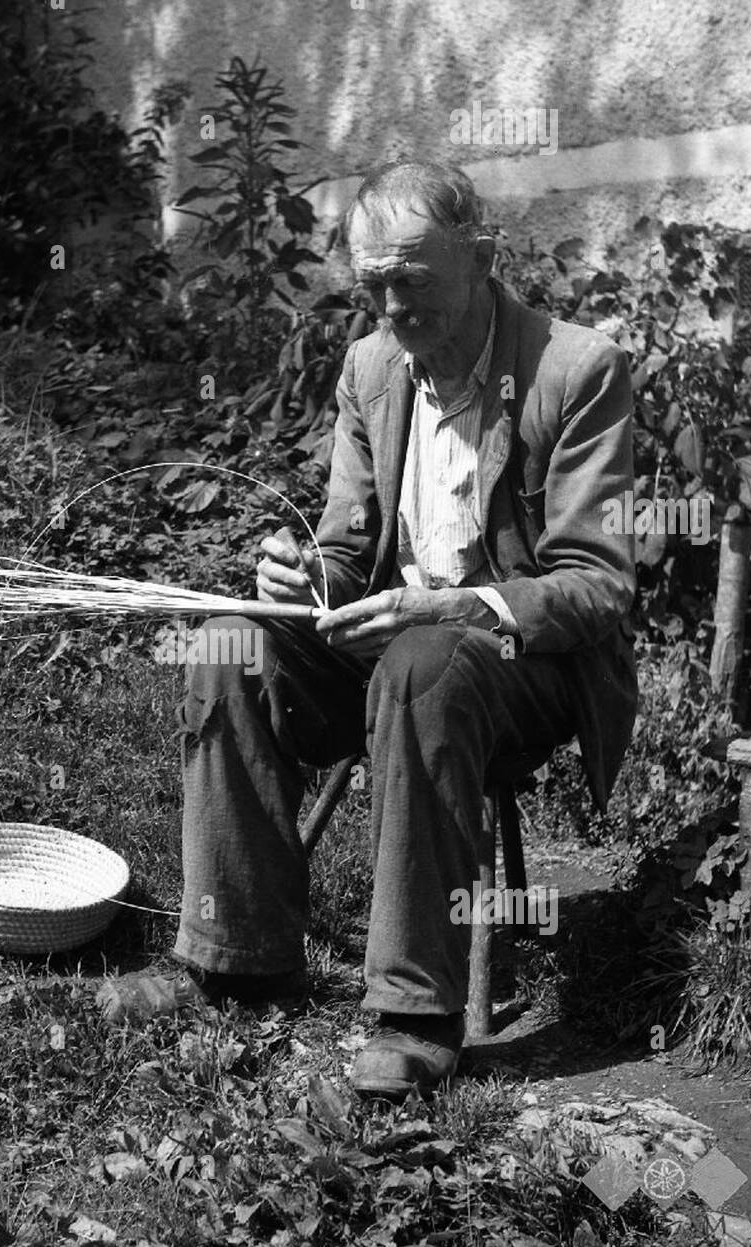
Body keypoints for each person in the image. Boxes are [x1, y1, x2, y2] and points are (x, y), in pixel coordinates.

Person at [100, 158, 638, 1101]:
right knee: (233, 639)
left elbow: (596, 586)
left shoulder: (576, 370)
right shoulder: (372, 367)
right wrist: (305, 573)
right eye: (373, 286)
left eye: (414, 283)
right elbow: (348, 552)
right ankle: (238, 961)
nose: (392, 308)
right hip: (396, 647)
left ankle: (411, 1012)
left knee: (426, 666)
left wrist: (455, 607)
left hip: (523, 662)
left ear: (482, 258)